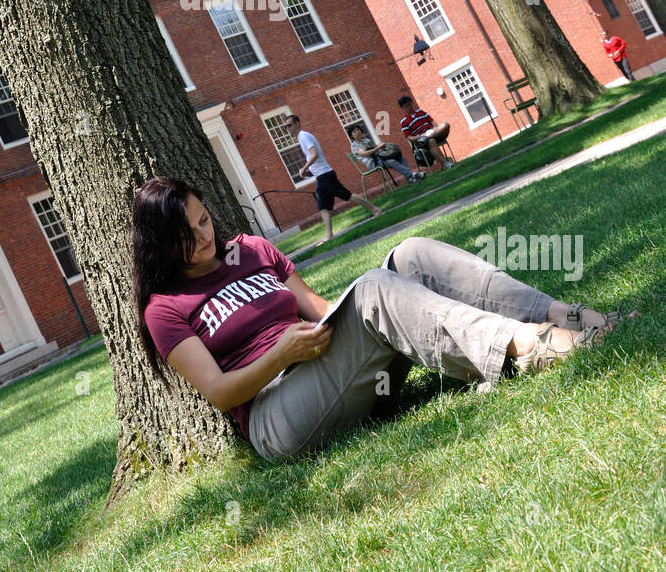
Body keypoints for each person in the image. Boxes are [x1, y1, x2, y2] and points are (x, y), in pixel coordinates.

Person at [135, 177, 631, 463]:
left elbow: (322, 309)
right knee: (373, 288)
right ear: (159, 243)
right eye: (186, 233)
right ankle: (530, 347)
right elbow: (221, 393)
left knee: (409, 254)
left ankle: (570, 316)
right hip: (279, 416)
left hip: (346, 376)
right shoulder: (165, 309)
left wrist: (336, 327)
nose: (203, 235)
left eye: (203, 219)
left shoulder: (250, 249)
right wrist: (282, 354)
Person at [286, 113, 380, 242]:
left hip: (325, 175)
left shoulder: (303, 136)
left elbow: (314, 155)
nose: (288, 128)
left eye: (290, 125)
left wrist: (304, 168)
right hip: (321, 176)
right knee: (323, 206)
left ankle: (375, 209)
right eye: (286, 127)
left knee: (347, 195)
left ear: (297, 123)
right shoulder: (302, 137)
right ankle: (329, 235)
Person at [347, 123, 426, 186]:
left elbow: (377, 149)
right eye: (354, 132)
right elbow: (365, 154)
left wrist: (383, 146)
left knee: (402, 158)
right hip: (373, 163)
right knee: (391, 161)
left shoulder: (366, 140)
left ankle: (410, 179)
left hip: (380, 158)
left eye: (358, 130)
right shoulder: (354, 145)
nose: (357, 132)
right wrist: (378, 148)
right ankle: (412, 175)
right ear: (351, 136)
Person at [397, 95, 453, 169]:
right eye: (406, 106)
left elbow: (432, 122)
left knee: (445, 124)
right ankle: (446, 163)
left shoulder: (421, 112)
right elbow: (409, 137)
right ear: (402, 108)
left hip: (432, 133)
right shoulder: (403, 122)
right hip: (420, 141)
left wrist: (435, 127)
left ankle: (428, 136)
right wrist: (420, 137)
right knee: (431, 141)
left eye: (410, 104)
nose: (409, 107)